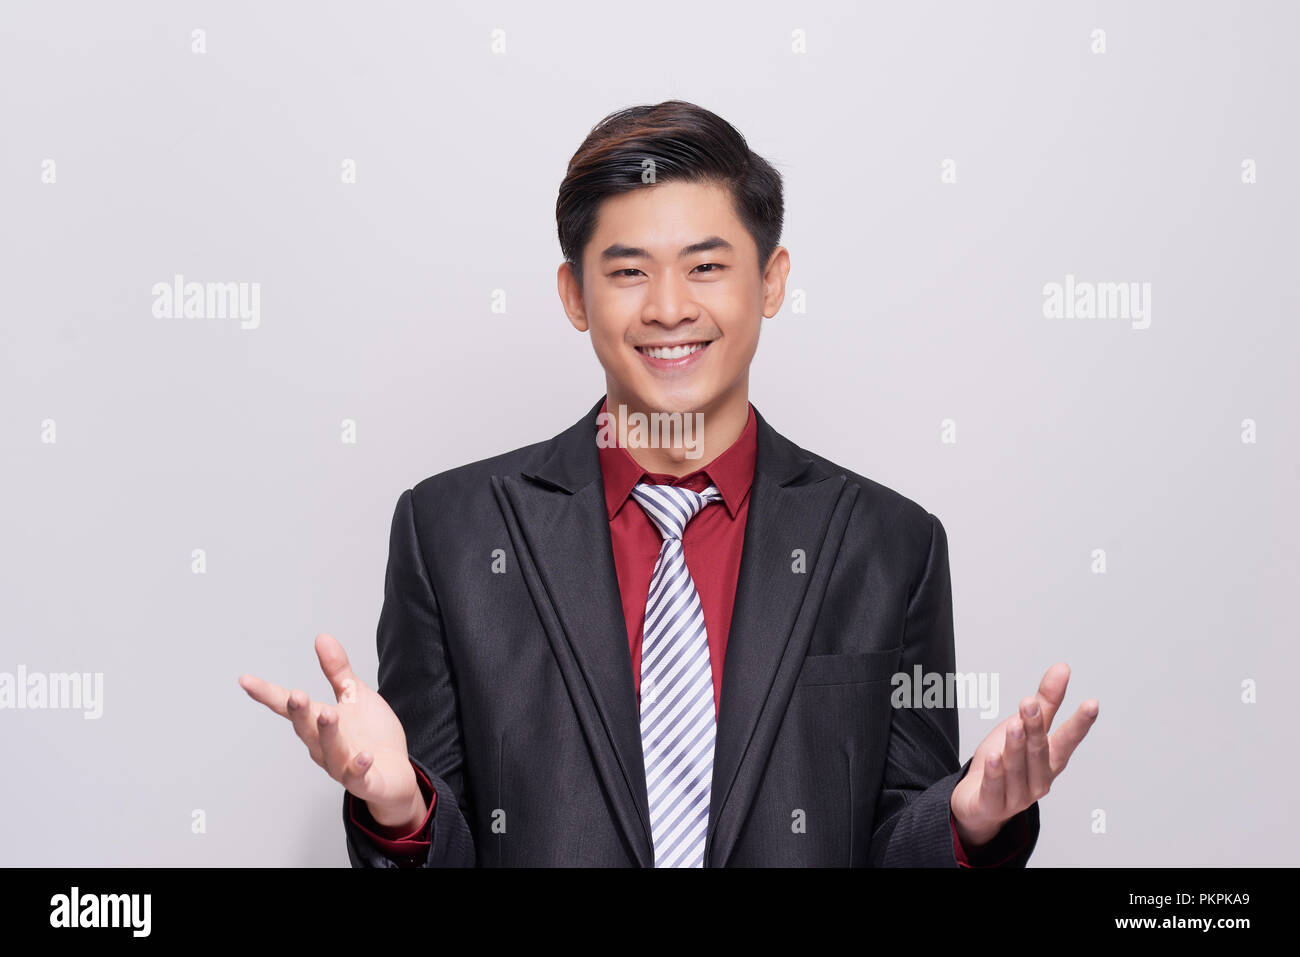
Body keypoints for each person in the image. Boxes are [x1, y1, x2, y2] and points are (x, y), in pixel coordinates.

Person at [240, 100, 1098, 867]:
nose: (668, 307)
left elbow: (895, 835)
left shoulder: (892, 544)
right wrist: (400, 810)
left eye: (707, 266)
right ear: (575, 295)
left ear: (772, 281)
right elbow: (447, 845)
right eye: (627, 271)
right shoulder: (451, 533)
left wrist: (969, 823)